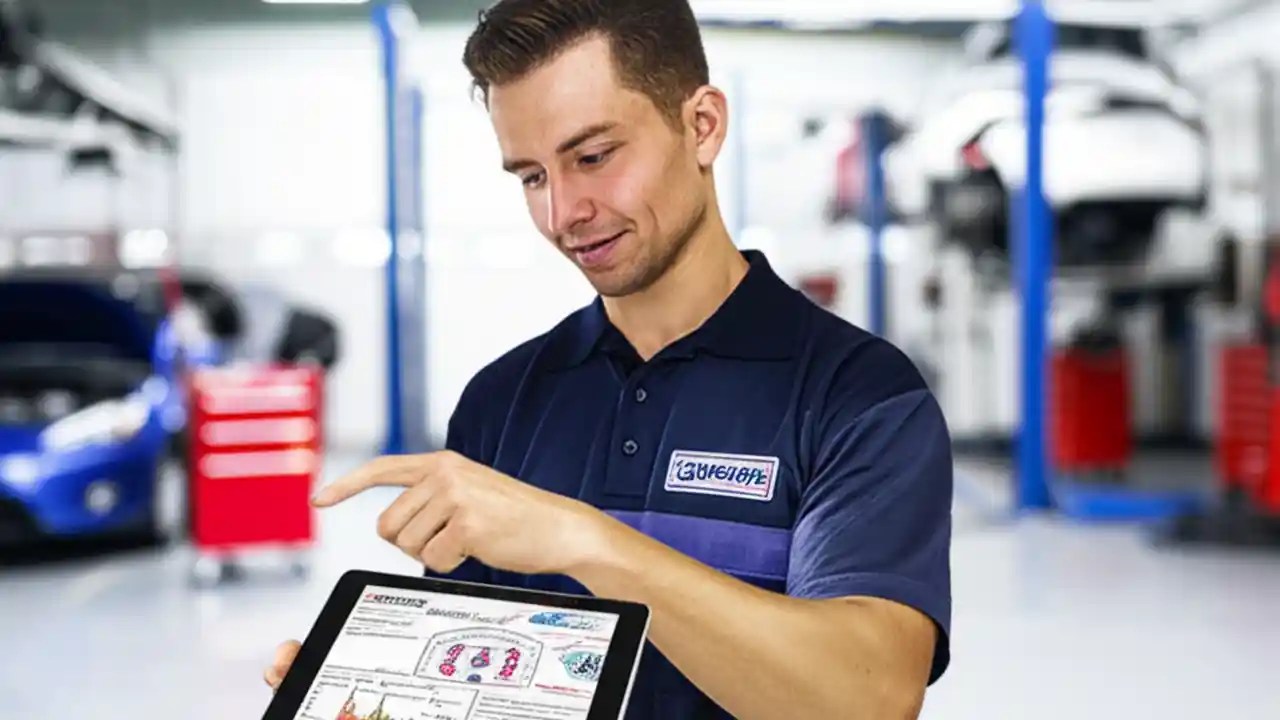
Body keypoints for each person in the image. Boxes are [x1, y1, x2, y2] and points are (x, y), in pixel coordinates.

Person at [264, 0, 953, 717]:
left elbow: (868, 698)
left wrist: (583, 541)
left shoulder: (859, 399)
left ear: (702, 126)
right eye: (532, 177)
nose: (562, 213)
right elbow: (480, 686)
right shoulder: (502, 403)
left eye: (593, 157)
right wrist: (384, 695)